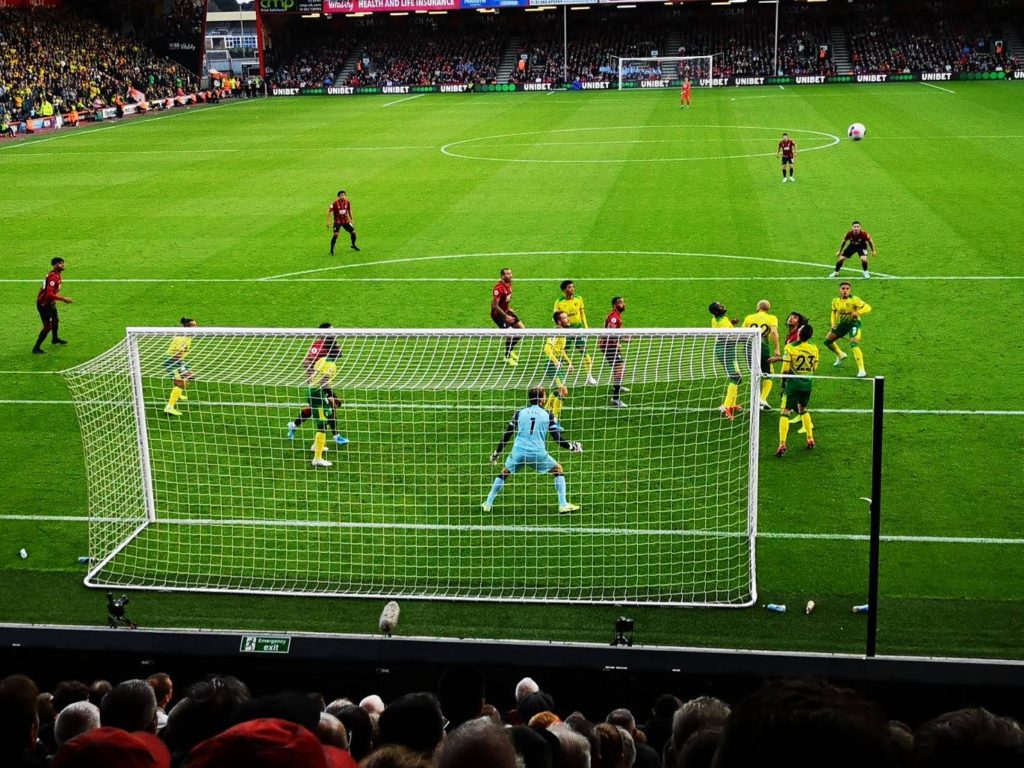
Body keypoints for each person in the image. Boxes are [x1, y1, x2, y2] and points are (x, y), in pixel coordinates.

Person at [482, 386, 582, 514]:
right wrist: (573, 447)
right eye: (545, 396)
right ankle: (563, 504)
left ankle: (488, 503)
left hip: (518, 451)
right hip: (537, 453)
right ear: (541, 399)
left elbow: (507, 435)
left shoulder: (519, 413)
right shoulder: (548, 415)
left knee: (504, 473)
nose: (546, 398)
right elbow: (558, 440)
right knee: (558, 470)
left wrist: (496, 454)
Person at [770, 323, 819, 457]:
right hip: (807, 384)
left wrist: (783, 383)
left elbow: (785, 368)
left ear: (799, 333)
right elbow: (814, 367)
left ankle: (782, 444)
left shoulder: (790, 347)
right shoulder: (814, 348)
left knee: (785, 412)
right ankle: (810, 438)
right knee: (803, 409)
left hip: (793, 384)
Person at [288, 323, 342, 439]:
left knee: (315, 409)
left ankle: (294, 425)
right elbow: (307, 361)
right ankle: (335, 436)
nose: (334, 333)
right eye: (331, 331)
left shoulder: (331, 343)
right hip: (319, 383)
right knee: (329, 407)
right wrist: (310, 376)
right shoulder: (318, 346)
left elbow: (339, 353)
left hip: (324, 379)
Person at [303, 356, 349, 467]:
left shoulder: (322, 359)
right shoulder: (331, 364)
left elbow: (313, 375)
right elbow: (323, 382)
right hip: (317, 393)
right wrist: (335, 397)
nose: (340, 348)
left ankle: (316, 446)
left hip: (314, 391)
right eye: (337, 345)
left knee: (328, 416)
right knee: (323, 423)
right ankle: (317, 459)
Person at [553, 280, 599, 386]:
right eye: (569, 287)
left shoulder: (579, 298)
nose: (572, 289)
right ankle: (559, 375)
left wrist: (586, 328)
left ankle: (589, 376)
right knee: (563, 353)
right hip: (565, 331)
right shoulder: (559, 302)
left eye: (573, 286)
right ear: (564, 290)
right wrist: (560, 328)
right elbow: (555, 317)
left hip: (578, 329)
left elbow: (582, 314)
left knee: (584, 351)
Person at [825, 281, 871, 378]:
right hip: (843, 324)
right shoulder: (835, 300)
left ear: (850, 290)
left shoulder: (855, 299)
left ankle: (862, 370)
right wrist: (833, 323)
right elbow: (833, 312)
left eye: (847, 288)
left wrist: (859, 312)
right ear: (839, 290)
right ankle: (840, 355)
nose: (845, 290)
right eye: (843, 288)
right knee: (828, 341)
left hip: (854, 324)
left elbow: (868, 307)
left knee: (853, 343)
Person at [742, 300, 781, 410]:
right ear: (768, 308)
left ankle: (756, 399)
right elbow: (773, 332)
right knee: (768, 374)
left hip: (749, 348)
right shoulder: (772, 318)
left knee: (755, 373)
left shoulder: (749, 317)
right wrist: (777, 348)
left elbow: (742, 333)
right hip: (763, 348)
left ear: (758, 307)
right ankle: (762, 399)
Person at [708, 302, 742, 420]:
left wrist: (731, 324)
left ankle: (732, 404)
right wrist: (742, 337)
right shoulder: (722, 321)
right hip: (726, 350)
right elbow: (725, 336)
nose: (723, 306)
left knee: (736, 377)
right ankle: (726, 406)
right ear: (717, 311)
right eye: (720, 306)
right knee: (736, 377)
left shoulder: (717, 319)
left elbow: (723, 329)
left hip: (724, 349)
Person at [33, 257, 72, 354]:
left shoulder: (57, 274)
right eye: (60, 263)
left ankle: (55, 339)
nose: (62, 265)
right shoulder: (53, 277)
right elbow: (49, 294)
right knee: (48, 326)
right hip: (44, 304)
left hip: (50, 303)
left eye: (63, 263)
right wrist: (63, 299)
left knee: (55, 321)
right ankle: (36, 348)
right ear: (55, 265)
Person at [543, 311, 574, 424]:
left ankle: (546, 410)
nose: (568, 319)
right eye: (565, 318)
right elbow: (547, 348)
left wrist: (569, 362)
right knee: (564, 391)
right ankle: (554, 419)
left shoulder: (562, 333)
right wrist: (556, 362)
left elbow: (560, 350)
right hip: (551, 365)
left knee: (560, 390)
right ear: (559, 322)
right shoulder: (555, 333)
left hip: (556, 365)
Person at [491, 268, 525, 366]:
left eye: (510, 273)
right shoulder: (498, 288)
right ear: (502, 276)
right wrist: (506, 316)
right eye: (507, 274)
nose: (510, 275)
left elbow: (505, 300)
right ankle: (507, 356)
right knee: (510, 335)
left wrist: (508, 309)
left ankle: (510, 350)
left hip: (506, 312)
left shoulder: (509, 284)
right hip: (498, 315)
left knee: (522, 330)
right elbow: (495, 306)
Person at [599, 296, 629, 408]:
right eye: (621, 302)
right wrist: (619, 342)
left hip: (609, 345)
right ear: (615, 305)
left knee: (619, 369)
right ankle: (615, 399)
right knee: (620, 369)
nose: (624, 304)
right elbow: (610, 333)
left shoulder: (615, 316)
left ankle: (618, 386)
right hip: (609, 346)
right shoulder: (614, 318)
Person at [164, 318, 197, 416]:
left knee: (191, 376)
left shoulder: (187, 337)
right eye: (194, 326)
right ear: (188, 327)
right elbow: (176, 356)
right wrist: (182, 369)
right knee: (181, 383)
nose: (197, 327)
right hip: (172, 361)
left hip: (178, 360)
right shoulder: (182, 339)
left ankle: (177, 394)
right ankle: (169, 408)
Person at [327, 190, 359, 255]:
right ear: (339, 196)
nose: (343, 196)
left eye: (344, 195)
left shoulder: (347, 202)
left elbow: (349, 210)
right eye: (342, 195)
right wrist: (328, 222)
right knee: (336, 234)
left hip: (345, 221)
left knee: (353, 232)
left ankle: (353, 245)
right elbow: (329, 212)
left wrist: (352, 219)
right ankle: (331, 250)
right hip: (337, 221)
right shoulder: (335, 203)